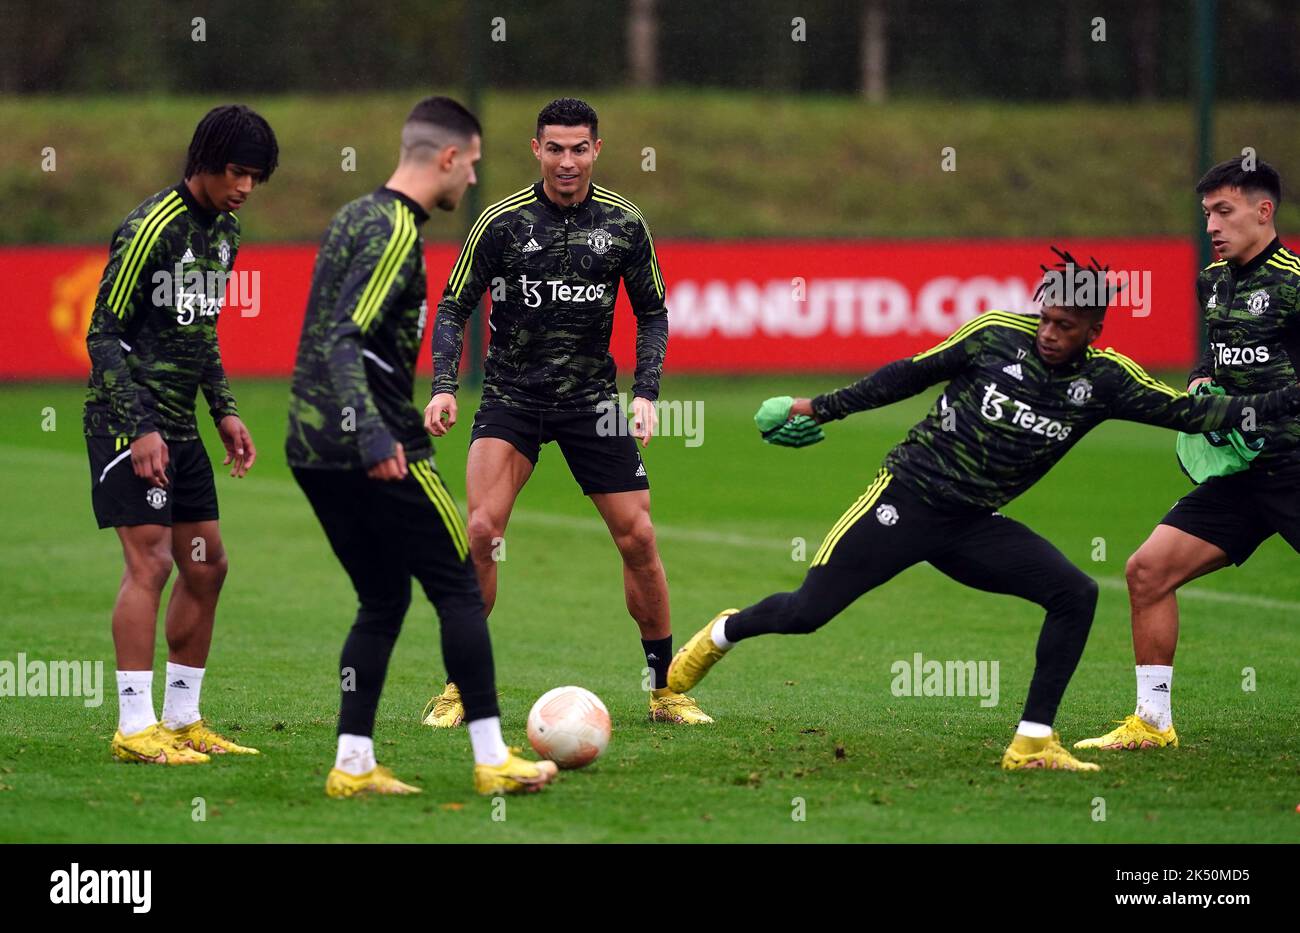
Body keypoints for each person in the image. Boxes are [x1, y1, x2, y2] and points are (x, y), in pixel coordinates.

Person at [667, 250, 1300, 771]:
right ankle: (703, 652)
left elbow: (1189, 413)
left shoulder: (1108, 381)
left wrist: (1274, 403)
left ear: (1094, 331)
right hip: (907, 497)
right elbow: (908, 375)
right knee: (806, 614)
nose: (1050, 333)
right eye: (1046, 318)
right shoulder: (997, 335)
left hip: (971, 525)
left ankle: (1031, 742)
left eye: (1067, 326)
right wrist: (817, 407)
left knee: (1075, 593)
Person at [287, 96, 557, 797]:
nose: (470, 181)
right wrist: (375, 432)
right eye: (469, 166)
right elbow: (346, 337)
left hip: (310, 446)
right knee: (460, 586)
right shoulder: (394, 230)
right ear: (446, 157)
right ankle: (494, 757)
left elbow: (326, 335)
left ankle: (352, 766)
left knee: (381, 599)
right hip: (374, 443)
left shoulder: (351, 215)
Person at [421, 97, 711, 727]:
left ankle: (665, 690)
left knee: (638, 537)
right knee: (482, 534)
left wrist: (648, 393)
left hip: (592, 403)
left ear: (596, 151)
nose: (567, 161)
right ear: (536, 151)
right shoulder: (499, 224)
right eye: (555, 148)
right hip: (511, 398)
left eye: (579, 148)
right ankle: (460, 686)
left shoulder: (625, 226)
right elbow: (452, 307)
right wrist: (444, 385)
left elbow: (653, 311)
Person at [1078, 157, 1300, 752]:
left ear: (1264, 211)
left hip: (1294, 468)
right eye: (1207, 214)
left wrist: (1251, 414)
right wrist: (1202, 383)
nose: (1212, 226)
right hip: (1239, 476)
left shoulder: (1295, 284)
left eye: (1224, 212)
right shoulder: (1215, 281)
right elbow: (1214, 357)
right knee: (1146, 572)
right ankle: (1152, 723)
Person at [86, 104, 274, 765]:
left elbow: (201, 329)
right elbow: (102, 333)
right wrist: (139, 427)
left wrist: (223, 407)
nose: (245, 186)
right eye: (236, 171)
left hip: (181, 427)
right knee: (153, 563)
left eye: (255, 175)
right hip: (124, 424)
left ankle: (182, 716)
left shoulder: (224, 233)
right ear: (204, 161)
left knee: (206, 564)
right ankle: (134, 727)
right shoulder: (150, 228)